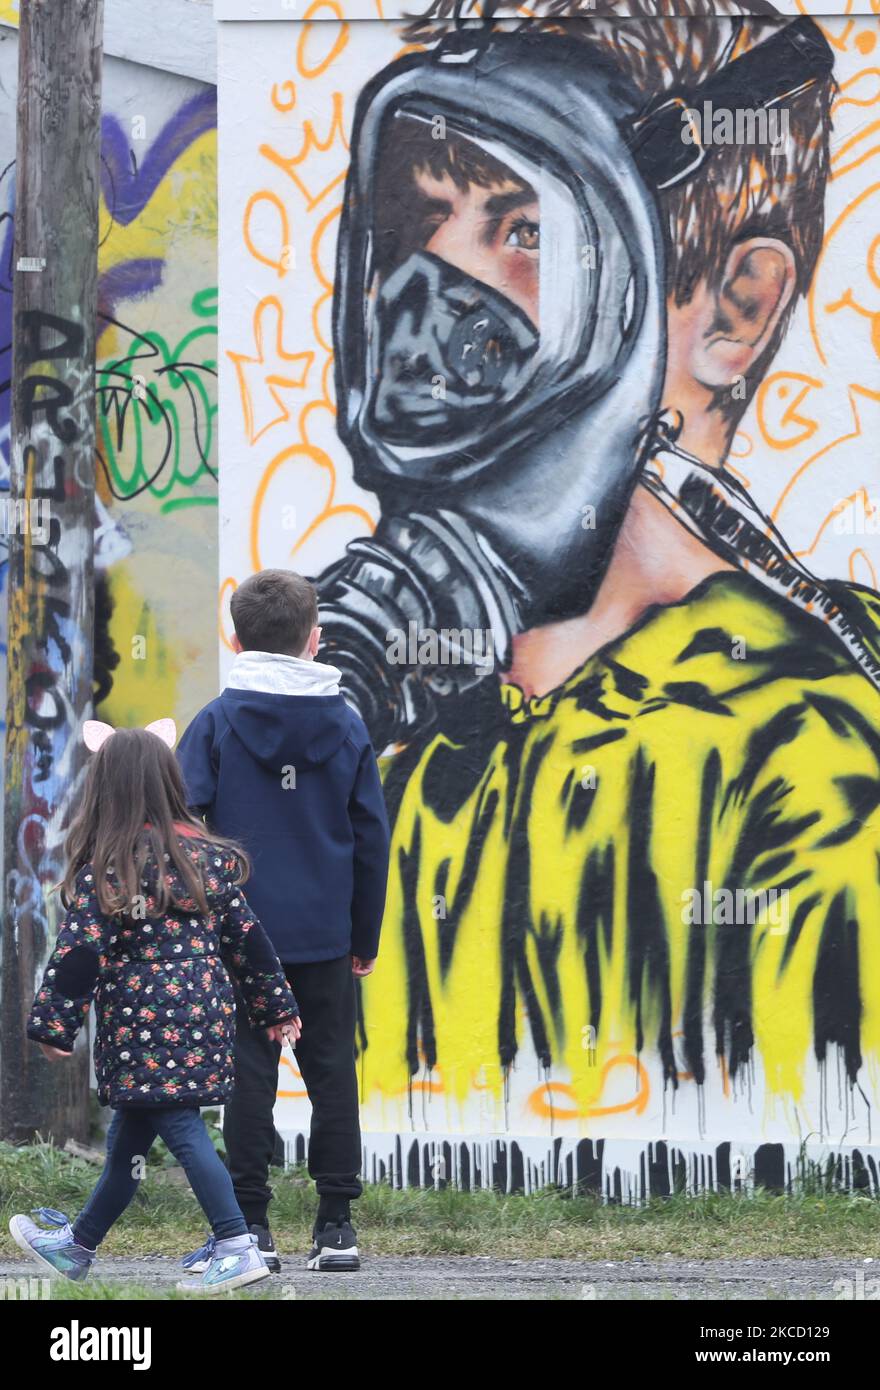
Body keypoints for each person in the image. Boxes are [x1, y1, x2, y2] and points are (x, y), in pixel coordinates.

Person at [313, 3, 880, 1133]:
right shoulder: (410, 757)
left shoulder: (802, 771)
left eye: (523, 232)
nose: (426, 299)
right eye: (412, 221)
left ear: (735, 308)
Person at [9, 719, 300, 1296]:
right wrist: (274, 1007)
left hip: (143, 1026)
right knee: (129, 1142)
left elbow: (78, 955)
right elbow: (248, 938)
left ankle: (237, 1244)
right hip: (203, 1014)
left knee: (182, 1126)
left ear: (104, 789)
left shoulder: (108, 866)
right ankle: (78, 1246)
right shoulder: (205, 859)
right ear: (171, 781)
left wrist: (55, 1026)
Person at [177, 570, 390, 1271]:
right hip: (326, 935)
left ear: (236, 637)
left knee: (248, 1075)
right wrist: (364, 936)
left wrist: (199, 919)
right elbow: (370, 837)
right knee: (331, 1074)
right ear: (315, 639)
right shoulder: (347, 723)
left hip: (242, 936)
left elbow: (184, 827)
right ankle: (336, 1228)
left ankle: (250, 1231)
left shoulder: (214, 722)